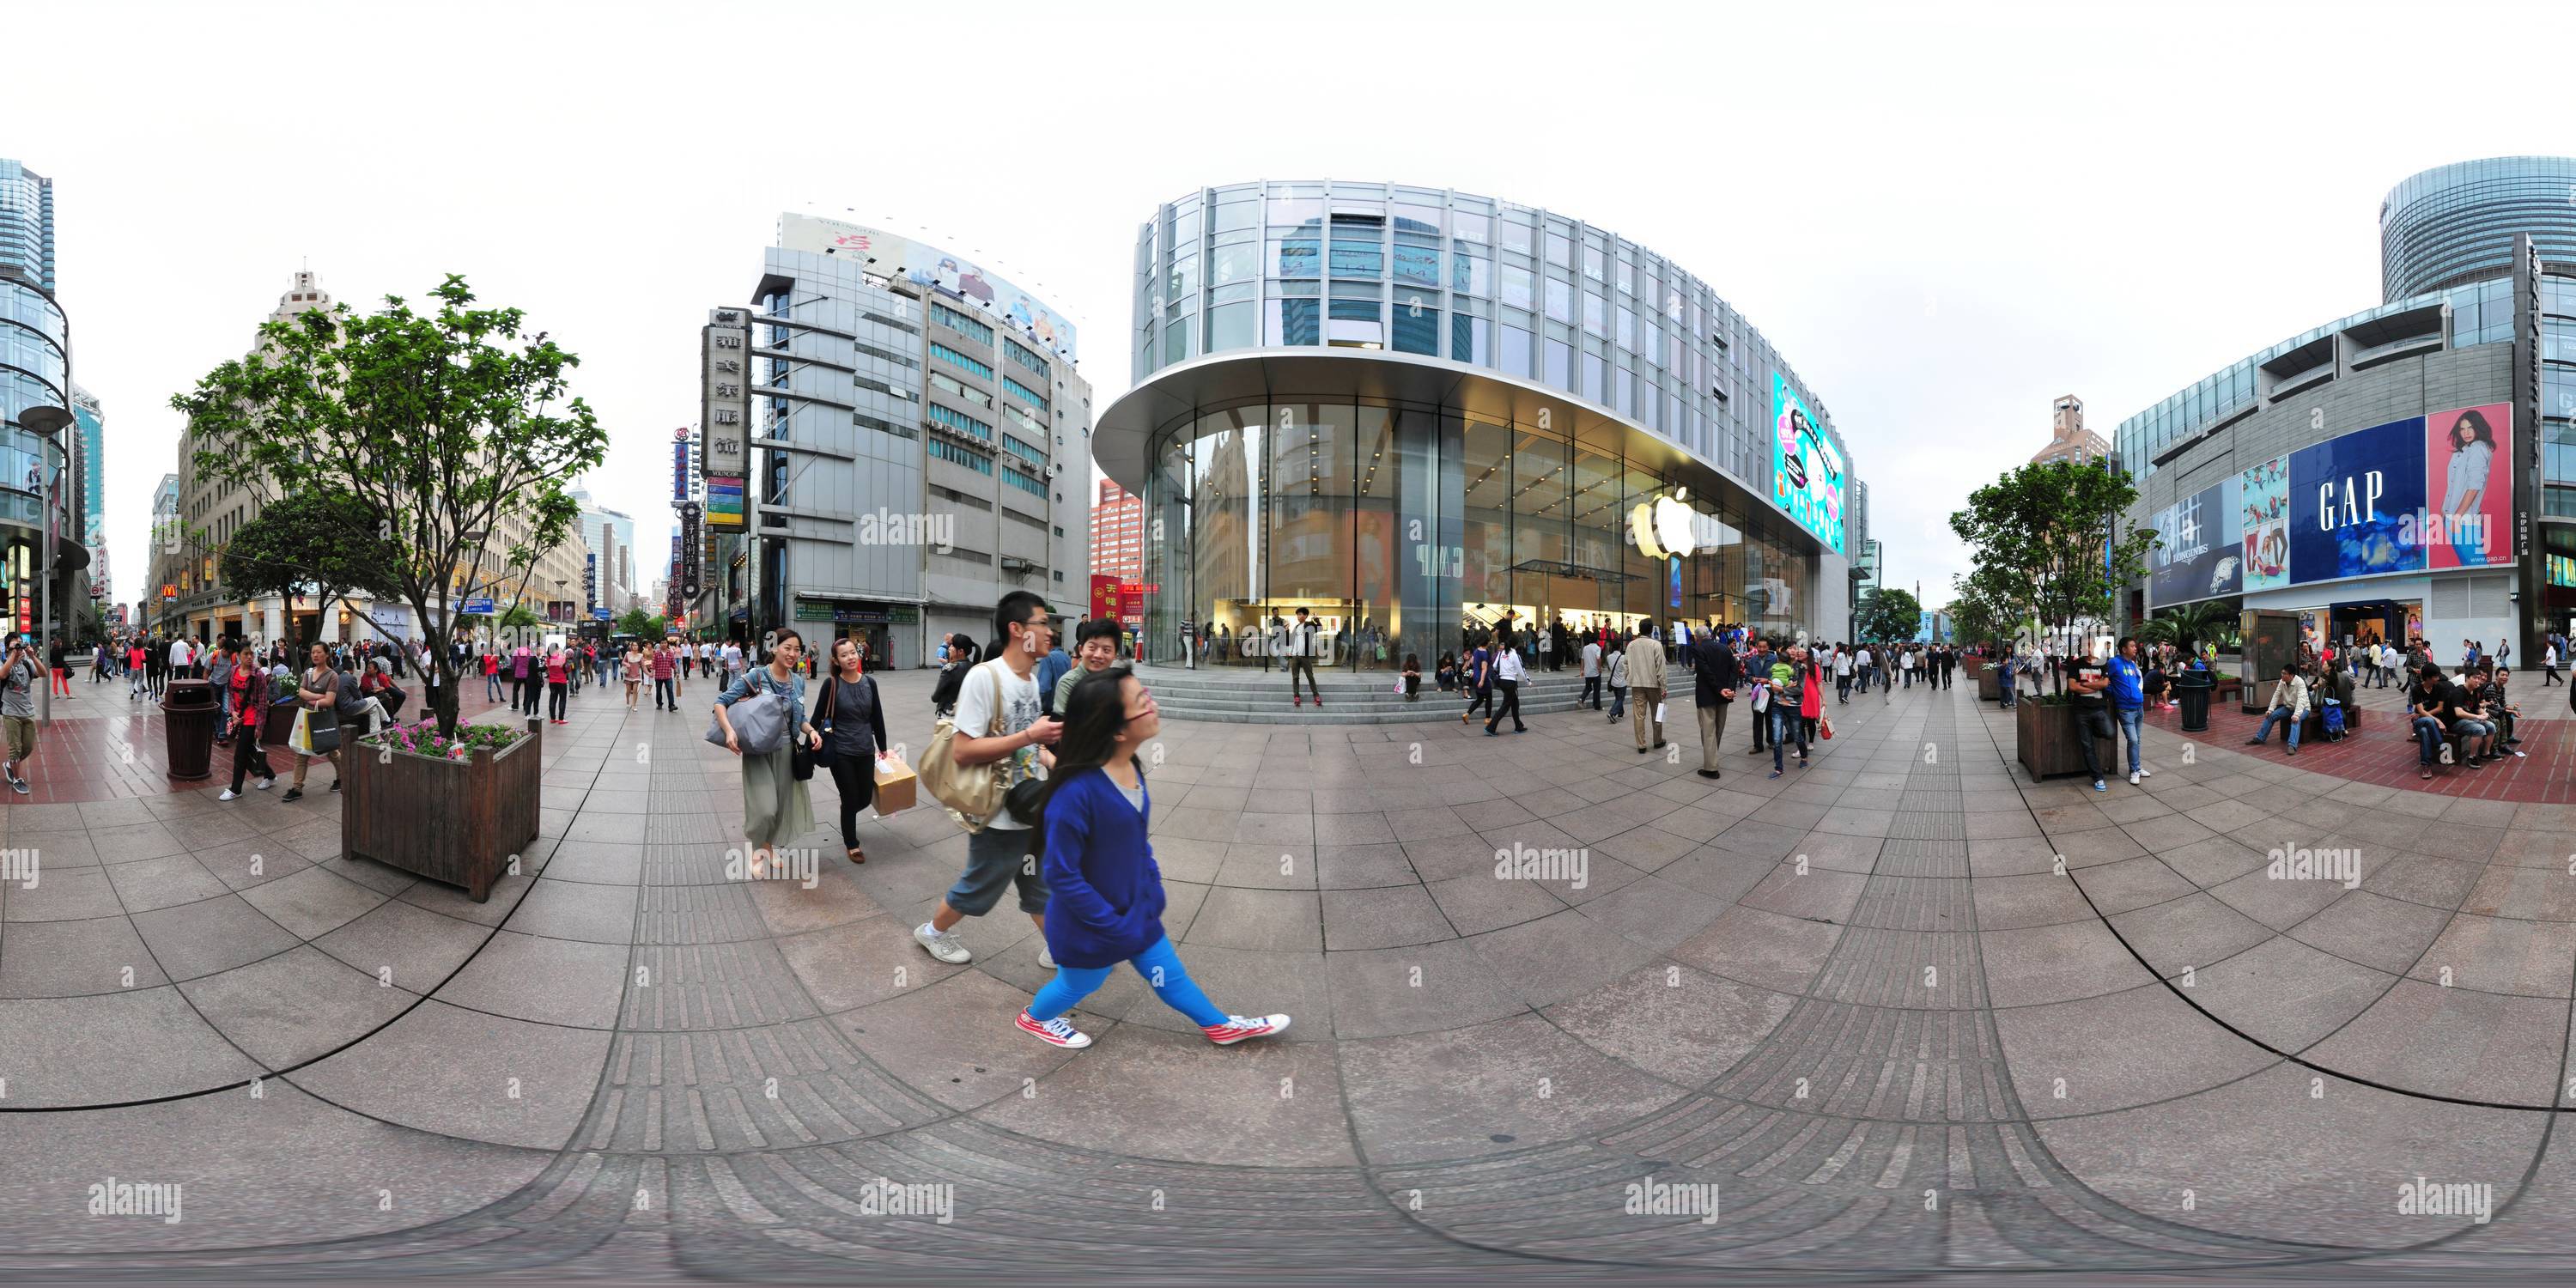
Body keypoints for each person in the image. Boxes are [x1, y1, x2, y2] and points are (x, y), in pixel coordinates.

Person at [1015, 666, 1290, 1051]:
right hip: (1088, 924)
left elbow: (1136, 842)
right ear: (1115, 729)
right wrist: (1112, 924)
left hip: (1134, 911)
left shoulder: (1130, 767)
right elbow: (1061, 875)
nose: (1153, 705)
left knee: (1168, 975)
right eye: (1142, 702)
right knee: (1081, 983)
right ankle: (1034, 1019)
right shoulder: (1075, 793)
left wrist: (1152, 883)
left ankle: (1221, 1026)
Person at [914, 592, 1060, 969]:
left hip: (1029, 802)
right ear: (1017, 629)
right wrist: (1031, 737)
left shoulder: (1029, 679)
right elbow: (964, 750)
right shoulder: (985, 676)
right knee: (979, 885)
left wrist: (1047, 756)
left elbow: (1024, 745)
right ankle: (931, 932)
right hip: (996, 809)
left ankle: (1060, 949)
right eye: (1042, 623)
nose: (1050, 632)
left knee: (1037, 881)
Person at [713, 627, 821, 880]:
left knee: (781, 807)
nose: (793, 653)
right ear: (774, 648)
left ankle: (769, 847)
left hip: (786, 750)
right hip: (760, 751)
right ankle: (755, 851)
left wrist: (811, 730)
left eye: (797, 649)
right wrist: (729, 731)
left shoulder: (798, 681)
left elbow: (800, 717)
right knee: (765, 808)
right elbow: (721, 702)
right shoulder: (756, 676)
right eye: (787, 648)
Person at [283, 643, 358, 802]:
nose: (315, 655)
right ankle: (297, 788)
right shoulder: (308, 673)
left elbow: (329, 701)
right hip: (308, 716)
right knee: (301, 754)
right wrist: (318, 697)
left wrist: (311, 697)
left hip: (324, 719)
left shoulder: (332, 676)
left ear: (327, 655)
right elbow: (301, 692)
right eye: (313, 652)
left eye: (319, 652)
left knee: (332, 752)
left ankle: (342, 777)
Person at [217, 639, 278, 801]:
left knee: (240, 754)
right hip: (239, 718)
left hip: (252, 718)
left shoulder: (258, 675)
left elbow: (263, 702)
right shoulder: (234, 670)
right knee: (249, 750)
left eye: (252, 654)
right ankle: (270, 775)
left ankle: (236, 789)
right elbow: (230, 693)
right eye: (246, 654)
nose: (250, 657)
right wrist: (232, 711)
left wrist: (260, 726)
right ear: (238, 655)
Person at [1691, 627, 1738, 781]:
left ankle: (1711, 768)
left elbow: (1705, 672)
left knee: (1708, 730)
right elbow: (1734, 668)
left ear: (1697, 638)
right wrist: (1729, 688)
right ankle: (1713, 758)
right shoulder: (1725, 648)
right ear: (1710, 635)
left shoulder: (1698, 649)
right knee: (1718, 729)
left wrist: (1720, 689)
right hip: (1723, 696)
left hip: (1707, 696)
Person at [2068, 648, 2115, 793]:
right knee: (2087, 746)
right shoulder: (2075, 664)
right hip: (2081, 710)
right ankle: (2097, 777)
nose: (2088, 647)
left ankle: (2092, 730)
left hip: (2099, 708)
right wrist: (2095, 686)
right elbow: (2072, 687)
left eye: (2090, 643)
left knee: (2109, 733)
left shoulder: (2102, 664)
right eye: (2085, 644)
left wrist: (2085, 685)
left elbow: (2105, 684)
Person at [1055, 619, 1123, 714]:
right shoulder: (1069, 683)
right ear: (1081, 649)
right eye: (1092, 648)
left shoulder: (1117, 682)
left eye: (1106, 650)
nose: (1098, 655)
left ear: (1115, 655)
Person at [2108, 636, 2151, 784]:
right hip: (2125, 709)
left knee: (2137, 740)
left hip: (2138, 707)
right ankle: (2134, 770)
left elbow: (2138, 680)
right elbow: (2105, 680)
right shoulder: (2114, 662)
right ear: (2123, 649)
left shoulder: (2132, 664)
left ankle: (2137, 767)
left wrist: (2138, 693)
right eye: (2132, 646)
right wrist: (2115, 692)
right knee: (2132, 739)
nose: (2135, 648)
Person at [2245, 662, 2310, 756]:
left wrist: (2296, 715)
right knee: (2271, 716)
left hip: (2303, 709)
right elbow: (2276, 695)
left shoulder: (2300, 682)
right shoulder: (2282, 681)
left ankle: (2292, 745)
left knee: (2296, 721)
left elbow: (2301, 700)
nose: (2282, 676)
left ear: (2291, 675)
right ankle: (2259, 738)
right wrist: (2270, 709)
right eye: (2282, 673)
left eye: (2285, 674)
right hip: (2288, 707)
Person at [0, 637, 37, 794]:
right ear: (7, 648)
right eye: (14, 645)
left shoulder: (27, 663)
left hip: (28, 712)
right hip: (11, 712)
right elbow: (2, 675)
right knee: (15, 749)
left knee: (27, 747)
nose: (19, 648)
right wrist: (12, 655)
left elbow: (43, 673)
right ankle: (17, 779)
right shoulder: (4, 663)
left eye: (20, 644)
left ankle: (9, 765)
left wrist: (33, 656)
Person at [1626, 618, 1668, 755]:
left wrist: (1629, 677)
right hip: (1654, 684)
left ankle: (1641, 744)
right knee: (1658, 713)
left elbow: (1625, 664)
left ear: (1639, 629)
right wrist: (1664, 686)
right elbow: (1661, 667)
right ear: (1651, 630)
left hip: (1637, 684)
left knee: (1639, 715)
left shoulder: (1631, 645)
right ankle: (1657, 740)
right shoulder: (1656, 645)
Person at [1485, 627, 1527, 735]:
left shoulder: (1502, 653)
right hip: (1510, 682)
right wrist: (1528, 681)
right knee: (1505, 707)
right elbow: (1520, 670)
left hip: (1502, 681)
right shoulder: (1514, 654)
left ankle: (1518, 726)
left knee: (1515, 704)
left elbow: (1494, 666)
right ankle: (1491, 728)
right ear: (1516, 644)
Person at [1284, 606, 1321, 708]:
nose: (1299, 616)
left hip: (1305, 655)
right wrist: (1286, 630)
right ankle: (1296, 696)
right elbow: (1289, 641)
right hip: (1295, 656)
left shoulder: (1309, 625)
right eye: (1298, 614)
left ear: (1305, 616)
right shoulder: (1296, 627)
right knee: (1295, 677)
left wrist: (1316, 619)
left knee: (1310, 676)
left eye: (1301, 614)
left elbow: (1320, 628)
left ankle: (1316, 695)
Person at [1036, 629, 1074, 718]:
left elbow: (1043, 688)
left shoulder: (1047, 658)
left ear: (1049, 642)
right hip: (1063, 707)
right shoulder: (1067, 657)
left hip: (1049, 711)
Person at [1605, 634, 1629, 722]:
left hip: (1613, 682)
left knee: (1618, 698)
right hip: (1622, 682)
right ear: (1619, 647)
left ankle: (1621, 713)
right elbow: (1627, 668)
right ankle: (1612, 713)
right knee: (1620, 699)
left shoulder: (1609, 657)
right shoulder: (1623, 657)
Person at [544, 643, 570, 724]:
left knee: (552, 699)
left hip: (552, 682)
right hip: (562, 682)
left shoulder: (548, 658)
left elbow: (547, 668)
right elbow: (568, 669)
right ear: (557, 648)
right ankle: (561, 719)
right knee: (562, 699)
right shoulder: (562, 658)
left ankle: (552, 718)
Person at [1579, 634, 1603, 709]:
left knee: (1588, 688)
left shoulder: (1585, 648)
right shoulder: (1597, 648)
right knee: (1597, 689)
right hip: (1595, 672)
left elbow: (1582, 659)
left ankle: (1582, 698)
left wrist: (1582, 670)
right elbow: (1598, 658)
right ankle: (1597, 706)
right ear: (1597, 640)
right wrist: (1599, 668)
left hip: (1587, 671)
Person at [623, 641, 644, 710]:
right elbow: (623, 662)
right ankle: (628, 700)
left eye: (636, 645)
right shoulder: (628, 654)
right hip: (628, 675)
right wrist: (627, 664)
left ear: (638, 646)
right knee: (628, 691)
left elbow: (643, 666)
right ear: (631, 647)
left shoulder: (640, 655)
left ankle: (634, 705)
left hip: (636, 676)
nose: (635, 646)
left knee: (635, 690)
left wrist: (649, 673)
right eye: (633, 645)